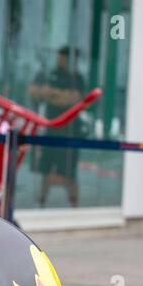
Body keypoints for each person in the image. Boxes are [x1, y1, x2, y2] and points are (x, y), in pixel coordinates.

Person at [29, 46, 88, 207]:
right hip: (51, 130)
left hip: (70, 132)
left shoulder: (77, 78)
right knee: (46, 172)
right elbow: (34, 92)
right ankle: (41, 204)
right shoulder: (49, 73)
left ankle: (74, 207)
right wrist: (58, 95)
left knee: (69, 174)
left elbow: (73, 100)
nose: (59, 59)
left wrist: (51, 94)